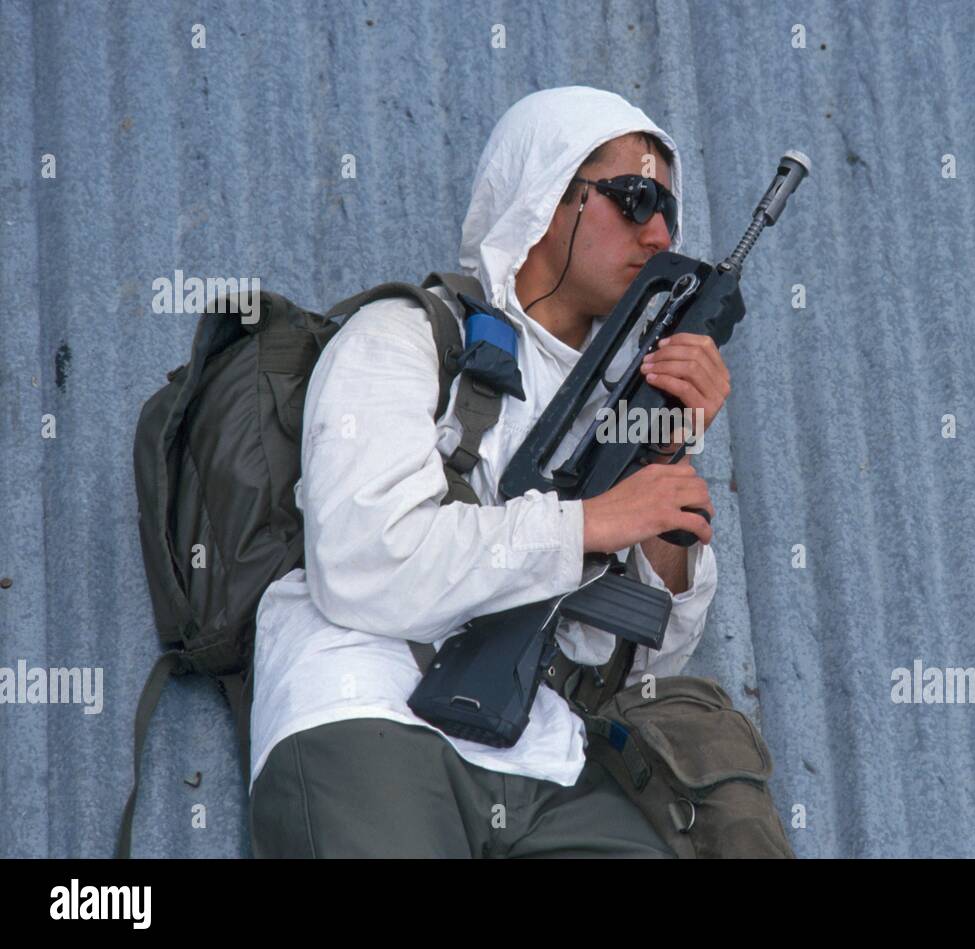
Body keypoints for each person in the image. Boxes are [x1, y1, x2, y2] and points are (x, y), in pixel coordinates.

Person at [247, 85, 733, 858]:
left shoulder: (621, 405)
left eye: (670, 212)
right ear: (544, 195)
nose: (659, 233)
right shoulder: (405, 337)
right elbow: (361, 559)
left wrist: (664, 454)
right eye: (633, 198)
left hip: (545, 750)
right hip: (370, 711)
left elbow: (649, 651)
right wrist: (590, 521)